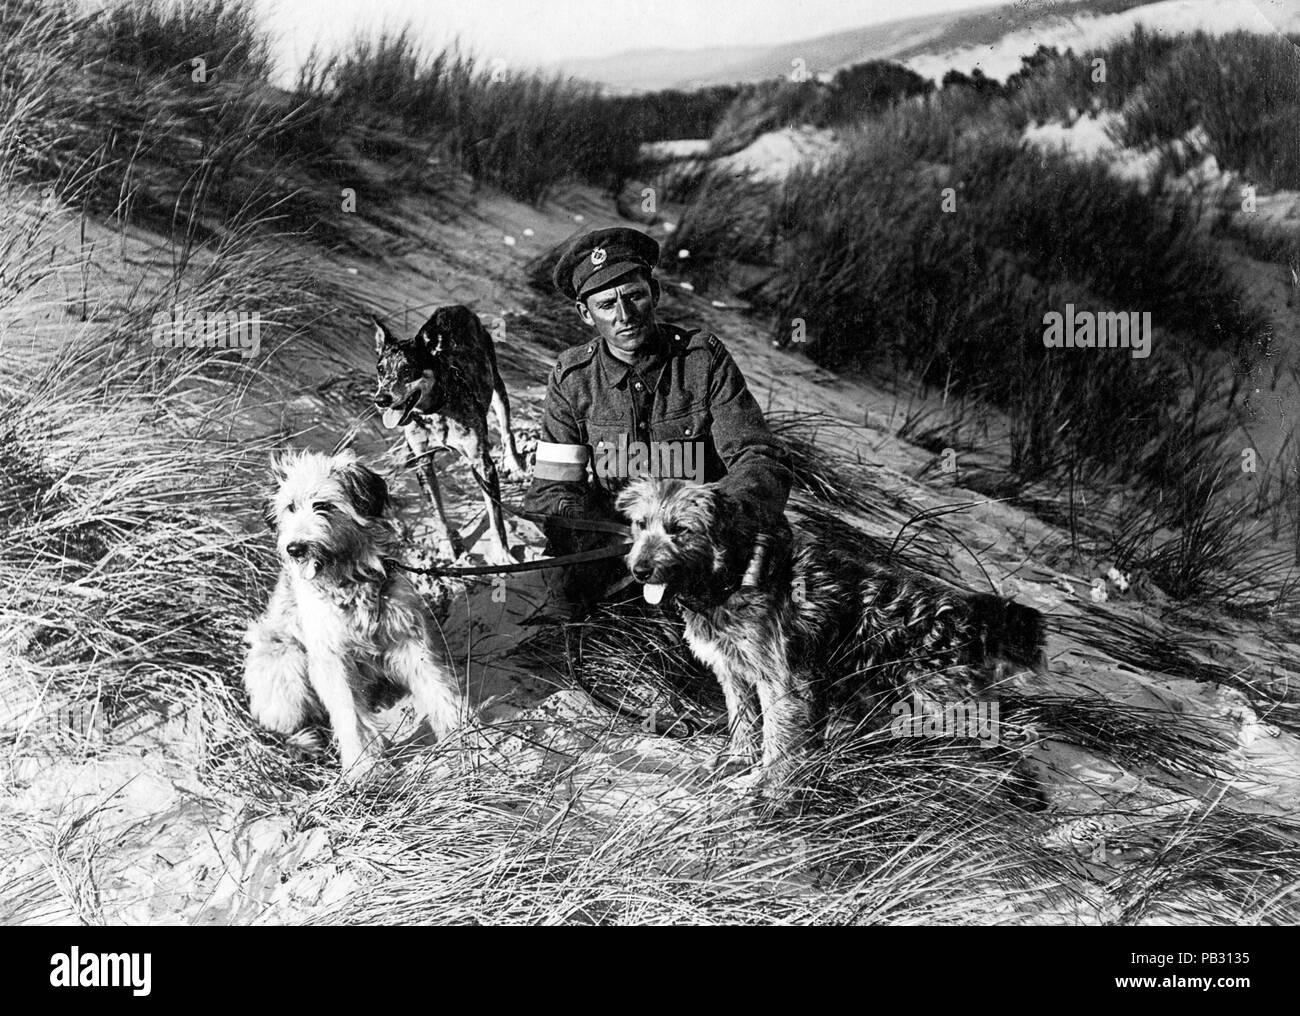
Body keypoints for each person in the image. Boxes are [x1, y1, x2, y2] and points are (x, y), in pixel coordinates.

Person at [524, 226, 793, 618]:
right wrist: (591, 529)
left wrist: (720, 515)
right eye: (606, 306)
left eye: (634, 296)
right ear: (586, 314)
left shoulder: (703, 361)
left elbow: (761, 457)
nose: (624, 316)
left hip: (701, 552)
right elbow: (550, 491)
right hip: (618, 551)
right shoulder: (573, 379)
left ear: (654, 292)